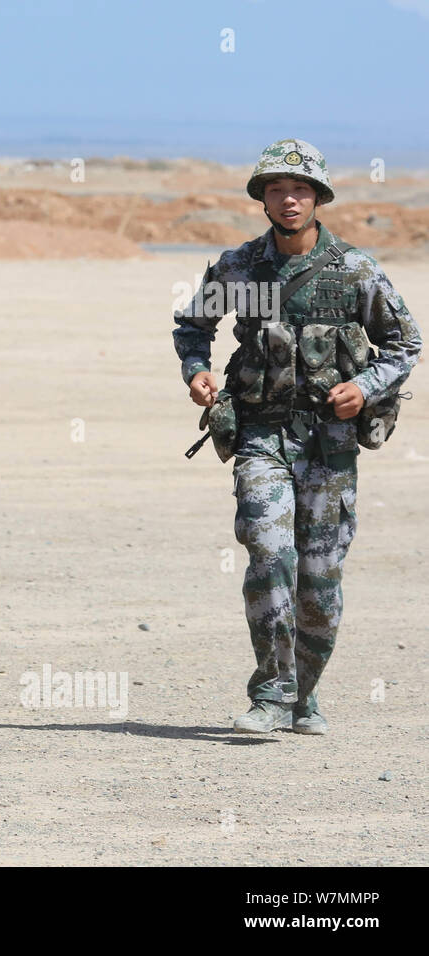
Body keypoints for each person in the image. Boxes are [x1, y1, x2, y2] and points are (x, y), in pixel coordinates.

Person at [174, 138, 421, 734]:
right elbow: (192, 326)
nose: (289, 200)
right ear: (262, 198)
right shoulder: (238, 268)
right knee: (268, 552)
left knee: (319, 575)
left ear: (318, 199)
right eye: (278, 189)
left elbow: (405, 344)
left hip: (328, 446)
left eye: (301, 190)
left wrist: (364, 386)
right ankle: (272, 692)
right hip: (261, 435)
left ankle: (303, 692)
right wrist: (197, 371)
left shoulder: (355, 271)